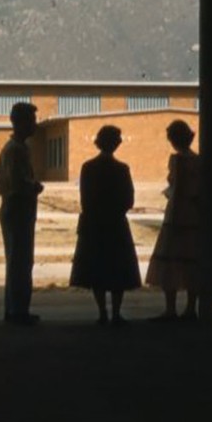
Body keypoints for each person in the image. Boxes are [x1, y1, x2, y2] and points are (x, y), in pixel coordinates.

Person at [69, 125, 142, 327]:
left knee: (97, 269)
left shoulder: (88, 167)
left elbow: (85, 199)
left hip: (93, 224)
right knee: (118, 270)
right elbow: (129, 200)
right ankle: (116, 313)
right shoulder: (122, 169)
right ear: (115, 143)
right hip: (116, 224)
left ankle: (102, 313)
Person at [145, 119, 200, 321]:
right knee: (191, 262)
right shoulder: (199, 160)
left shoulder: (177, 161)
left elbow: (176, 188)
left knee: (171, 262)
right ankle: (191, 308)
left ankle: (171, 309)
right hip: (194, 216)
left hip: (177, 214)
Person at [0, 102, 44, 326]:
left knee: (18, 261)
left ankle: (16, 308)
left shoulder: (17, 148)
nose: (34, 125)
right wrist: (33, 186)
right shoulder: (15, 150)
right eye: (31, 120)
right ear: (21, 122)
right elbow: (15, 182)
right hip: (17, 209)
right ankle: (17, 312)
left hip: (17, 209)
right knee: (20, 262)